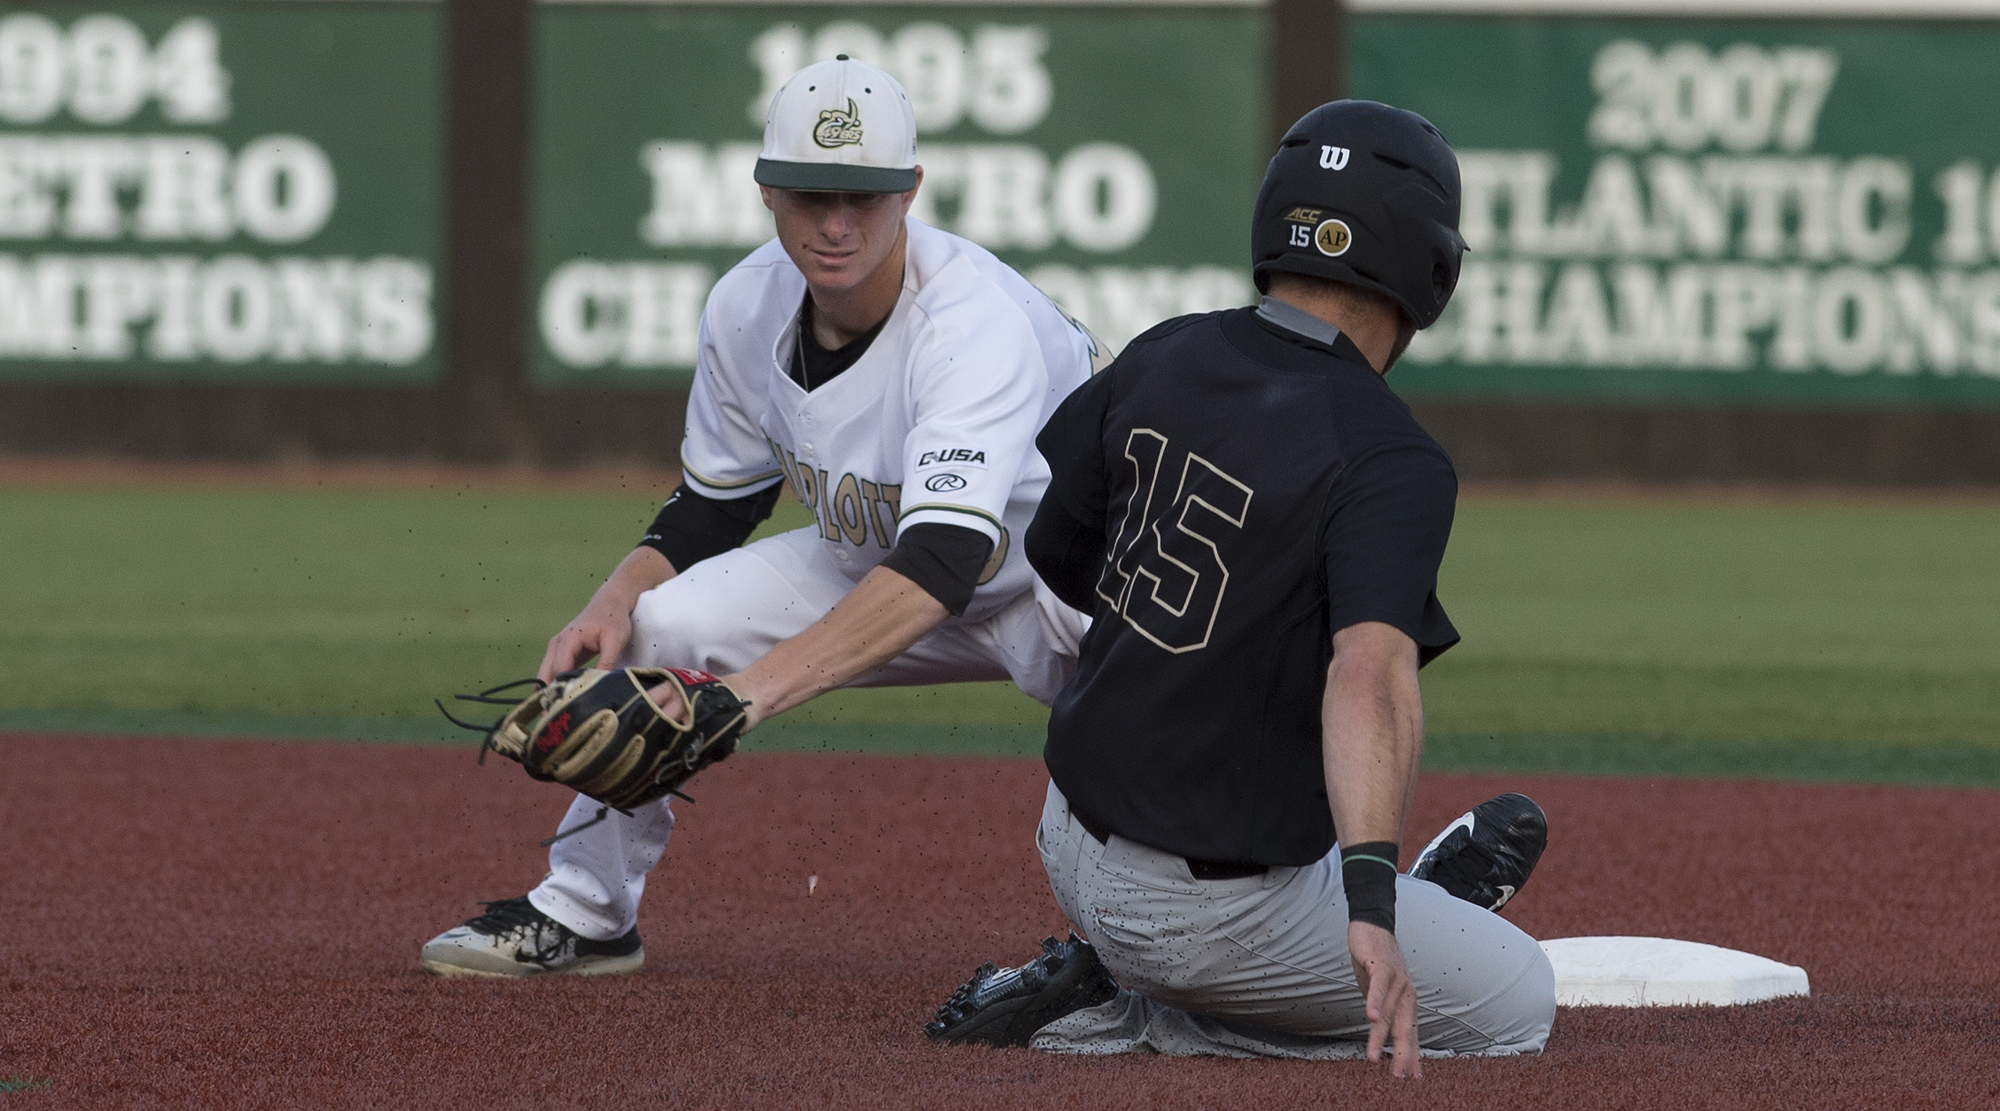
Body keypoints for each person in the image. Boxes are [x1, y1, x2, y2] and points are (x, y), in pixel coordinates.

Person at [420, 56, 1097, 977]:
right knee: (663, 624)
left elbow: (942, 561)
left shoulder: (972, 324)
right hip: (877, 564)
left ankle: (1147, 948)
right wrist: (612, 601)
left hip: (1065, 581)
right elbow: (717, 502)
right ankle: (585, 909)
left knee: (1160, 703)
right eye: (812, 194)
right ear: (767, 190)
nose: (836, 223)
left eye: (864, 196)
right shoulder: (747, 303)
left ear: (910, 191)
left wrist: (745, 694)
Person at [924, 101, 1557, 1072]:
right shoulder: (1390, 455)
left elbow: (1056, 554)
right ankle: (1135, 1015)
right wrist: (1373, 912)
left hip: (1067, 834)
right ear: (1430, 265)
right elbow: (1370, 675)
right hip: (1202, 917)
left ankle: (1169, 957)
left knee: (1286, 759)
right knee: (1519, 1003)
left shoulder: (1165, 349)